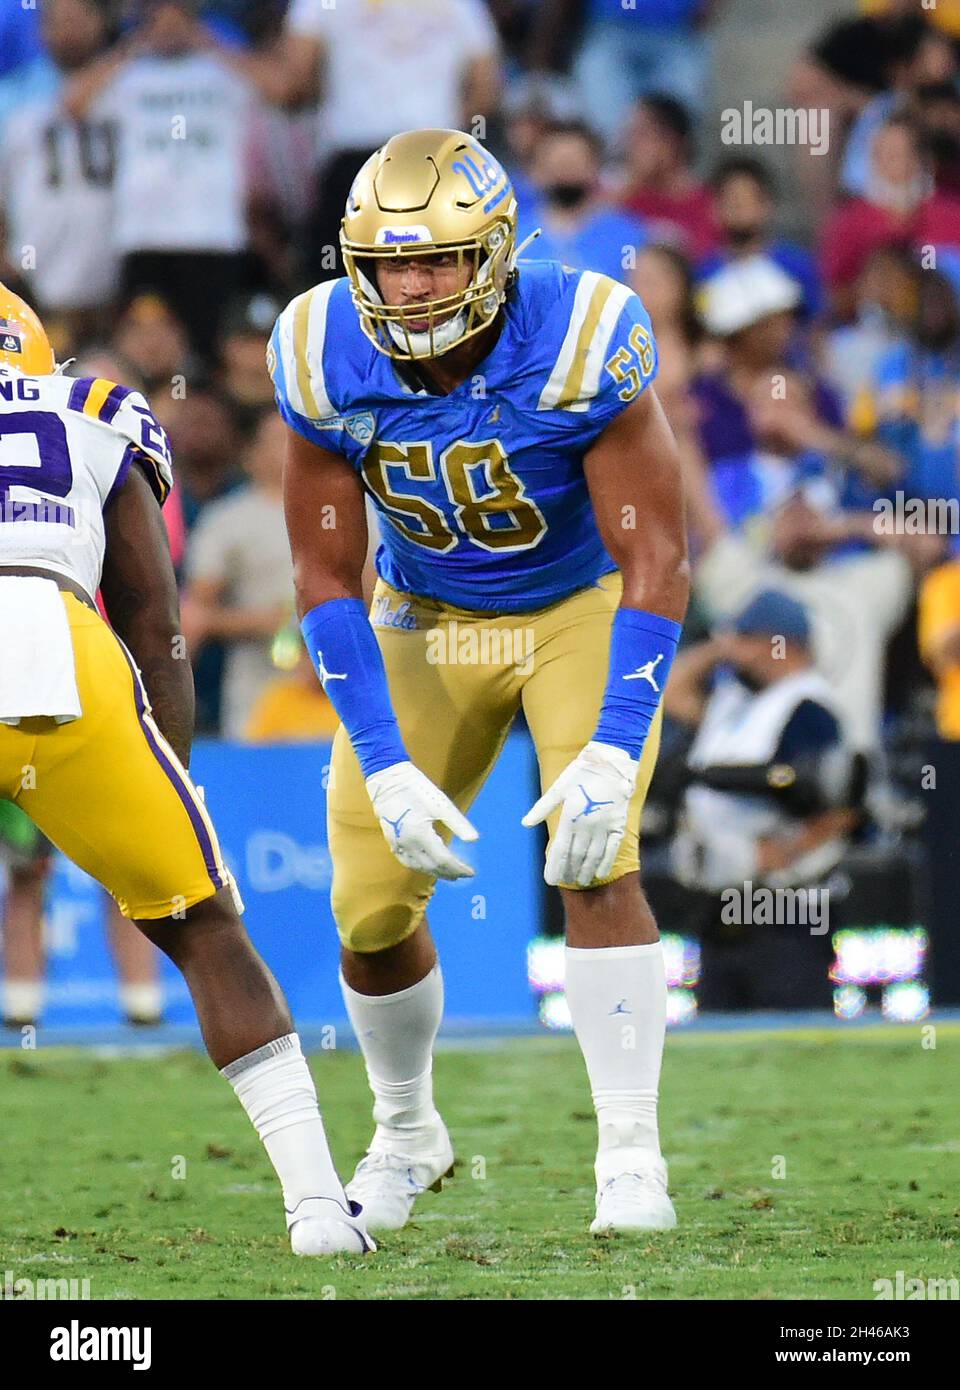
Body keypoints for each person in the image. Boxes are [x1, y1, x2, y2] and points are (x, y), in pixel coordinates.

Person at [270, 129, 689, 1236]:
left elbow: (657, 552)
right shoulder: (321, 346)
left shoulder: (583, 333)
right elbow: (320, 571)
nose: (409, 289)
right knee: (367, 901)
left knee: (596, 851)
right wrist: (385, 757)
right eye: (389, 264)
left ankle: (630, 1154)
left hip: (575, 603)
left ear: (497, 251)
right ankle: (408, 1132)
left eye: (438, 261)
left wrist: (614, 740)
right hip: (425, 614)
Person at [0, 282, 371, 1256]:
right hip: (54, 642)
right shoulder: (93, 412)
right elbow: (156, 619)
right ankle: (318, 1212)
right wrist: (168, 760)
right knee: (206, 928)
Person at [666, 590, 862, 1010]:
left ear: (778, 642)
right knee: (721, 1046)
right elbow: (669, 693)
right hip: (721, 907)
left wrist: (779, 853)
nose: (734, 651)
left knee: (793, 1034)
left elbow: (842, 805)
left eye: (745, 638)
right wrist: (720, 647)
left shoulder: (807, 707)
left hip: (783, 908)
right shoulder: (736, 705)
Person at [181, 410, 295, 739]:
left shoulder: (353, 509)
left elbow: (376, 596)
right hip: (255, 684)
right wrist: (259, 621)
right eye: (278, 440)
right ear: (251, 455)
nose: (292, 447)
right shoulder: (226, 519)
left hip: (334, 678)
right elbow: (195, 615)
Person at [517, 119, 647, 283]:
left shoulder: (629, 237)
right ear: (538, 169)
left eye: (573, 163)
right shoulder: (515, 235)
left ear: (594, 166)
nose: (565, 173)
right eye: (558, 163)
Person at [618, 95, 718, 261]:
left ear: (673, 140)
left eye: (642, 134)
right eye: (631, 134)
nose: (632, 144)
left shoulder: (707, 203)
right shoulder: (624, 198)